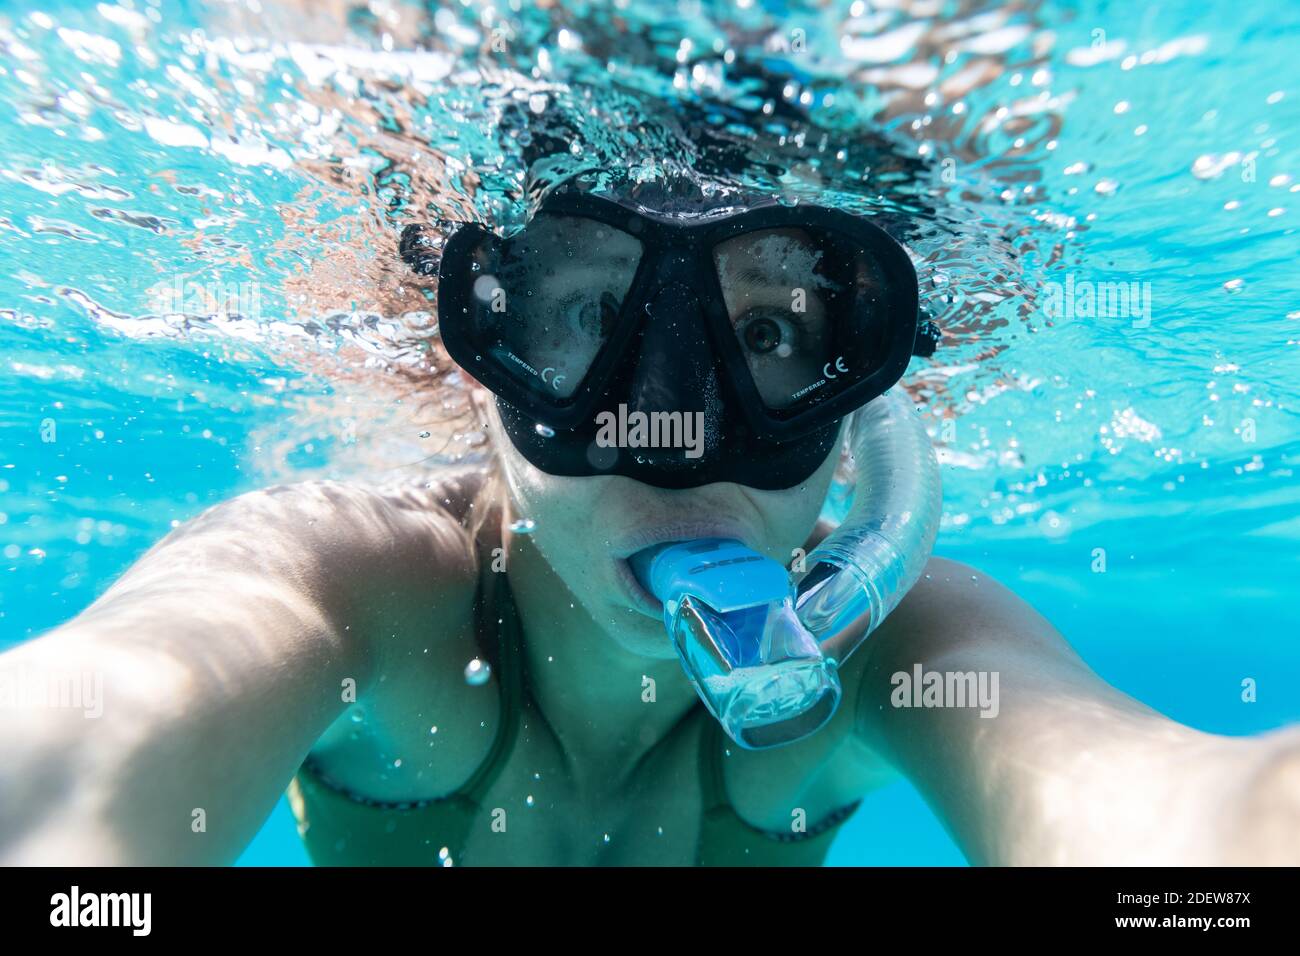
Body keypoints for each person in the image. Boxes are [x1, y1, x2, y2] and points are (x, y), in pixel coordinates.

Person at [1, 170, 1296, 868]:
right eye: (586, 319)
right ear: (484, 362)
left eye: (772, 336)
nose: (677, 432)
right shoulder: (360, 596)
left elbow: (1185, 830)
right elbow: (90, 737)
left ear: (862, 400)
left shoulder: (892, 655)